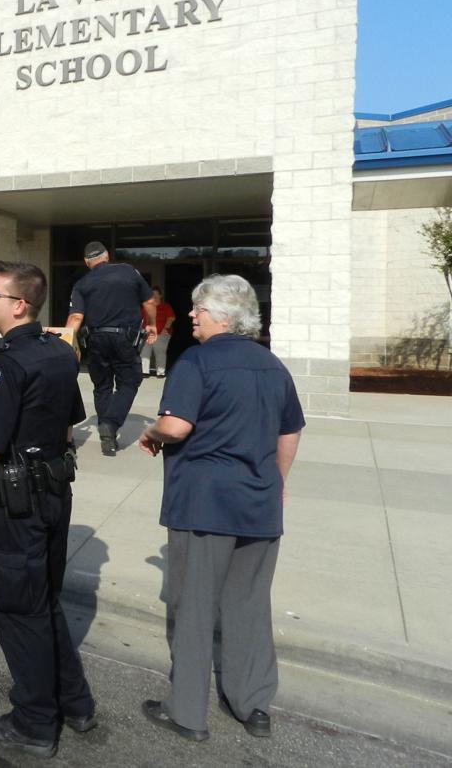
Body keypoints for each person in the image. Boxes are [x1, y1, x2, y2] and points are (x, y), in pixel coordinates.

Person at [137, 274, 303, 742]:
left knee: (194, 605)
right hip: (258, 503)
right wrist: (278, 482)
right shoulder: (273, 366)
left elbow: (176, 425)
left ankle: (187, 711)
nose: (191, 315)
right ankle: (252, 704)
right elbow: (289, 432)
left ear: (222, 316)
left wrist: (150, 432)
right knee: (249, 604)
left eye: (198, 309)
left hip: (203, 503)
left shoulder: (197, 362)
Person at [0, 261, 96, 759]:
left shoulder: (3, 366)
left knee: (18, 610)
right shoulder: (57, 352)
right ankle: (74, 702)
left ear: (19, 304)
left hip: (17, 505)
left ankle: (34, 721)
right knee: (44, 600)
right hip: (53, 494)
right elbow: (70, 426)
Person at [63, 241, 156, 456]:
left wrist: (65, 345)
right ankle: (111, 425)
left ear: (87, 262)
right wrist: (151, 324)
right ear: (107, 256)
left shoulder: (82, 283)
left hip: (95, 340)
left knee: (102, 386)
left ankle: (108, 435)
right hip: (124, 339)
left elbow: (76, 317)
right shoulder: (128, 271)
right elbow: (149, 302)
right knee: (130, 381)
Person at [140, 286, 175, 377]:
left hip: (161, 333)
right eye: (152, 295)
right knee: (145, 352)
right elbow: (141, 319)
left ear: (160, 295)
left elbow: (171, 318)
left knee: (160, 352)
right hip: (148, 333)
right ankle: (145, 371)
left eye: (156, 295)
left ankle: (160, 372)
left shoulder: (165, 306)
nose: (153, 297)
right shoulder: (147, 306)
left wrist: (165, 329)